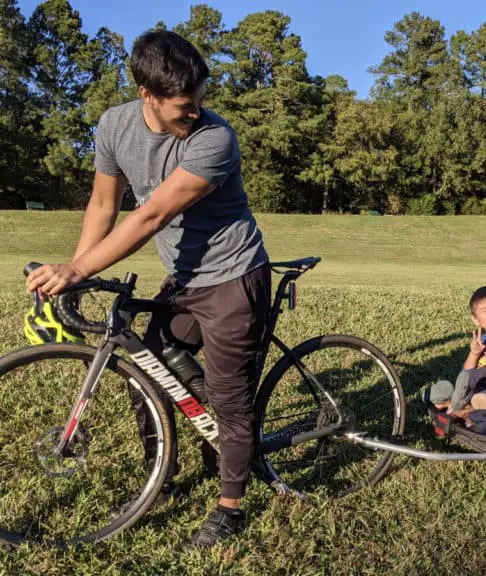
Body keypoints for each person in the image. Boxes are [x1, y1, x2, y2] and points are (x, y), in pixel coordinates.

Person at [25, 30, 269, 548]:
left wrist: (76, 270)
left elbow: (150, 216)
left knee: (231, 399)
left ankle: (230, 508)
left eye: (200, 99)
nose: (196, 112)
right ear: (147, 94)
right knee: (146, 369)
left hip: (233, 276)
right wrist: (81, 271)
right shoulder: (115, 125)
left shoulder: (214, 139)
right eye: (185, 105)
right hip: (183, 278)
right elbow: (103, 204)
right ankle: (162, 473)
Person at [428, 286, 486, 417]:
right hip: (482, 383)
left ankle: (462, 408)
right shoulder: (482, 340)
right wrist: (474, 353)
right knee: (469, 379)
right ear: (475, 319)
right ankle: (456, 404)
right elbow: (466, 374)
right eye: (485, 311)